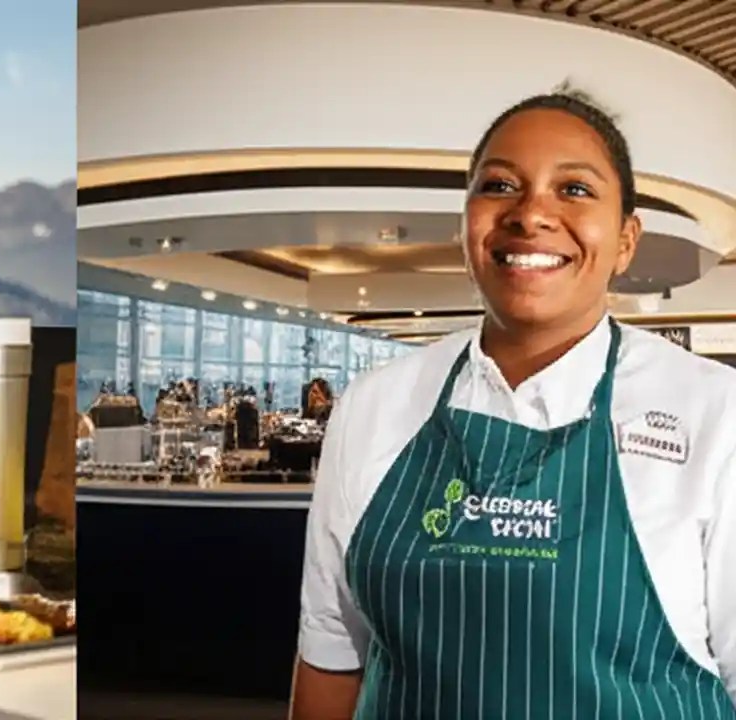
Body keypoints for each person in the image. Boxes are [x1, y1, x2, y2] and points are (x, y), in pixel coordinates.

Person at [291, 86, 736, 719]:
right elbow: (331, 651)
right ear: (464, 225)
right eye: (499, 186)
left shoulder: (714, 412)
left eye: (575, 190)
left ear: (627, 239)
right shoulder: (375, 405)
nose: (530, 214)